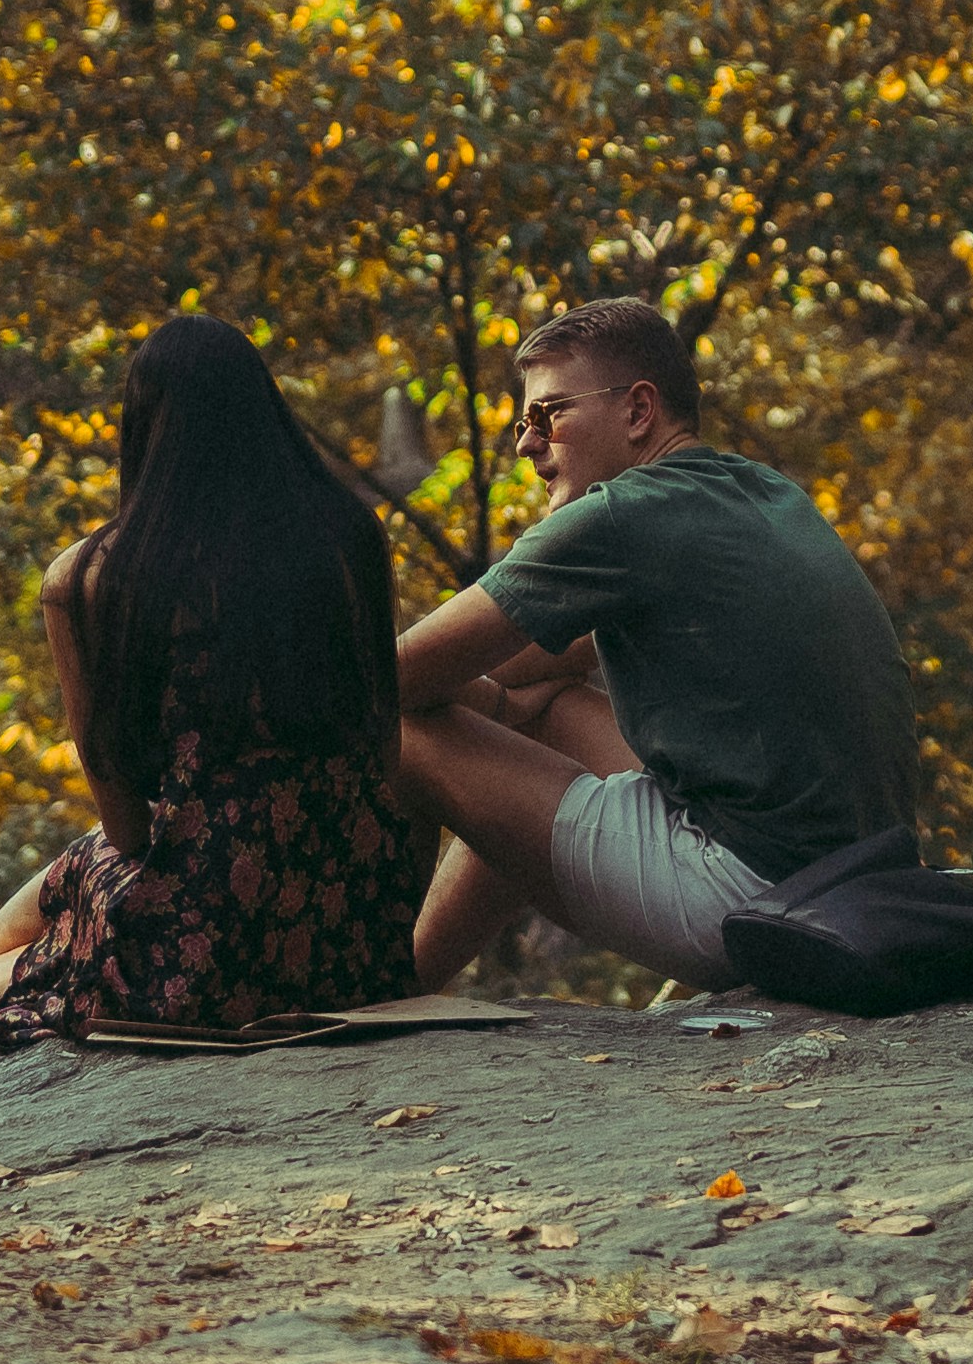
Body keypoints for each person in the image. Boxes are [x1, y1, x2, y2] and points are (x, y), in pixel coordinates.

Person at [0, 316, 424, 1055]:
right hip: (355, 942)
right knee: (122, 867)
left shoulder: (91, 579)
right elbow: (384, 750)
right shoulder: (351, 542)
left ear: (142, 429)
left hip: (202, 973)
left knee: (101, 870)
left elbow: (126, 826)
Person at [390, 297, 921, 990]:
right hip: (858, 887)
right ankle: (407, 982)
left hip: (760, 902)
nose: (525, 444)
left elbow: (387, 680)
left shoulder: (621, 515)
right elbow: (518, 665)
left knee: (395, 726)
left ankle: (387, 989)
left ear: (638, 411)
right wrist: (490, 696)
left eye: (548, 415)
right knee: (544, 707)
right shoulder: (758, 492)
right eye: (523, 423)